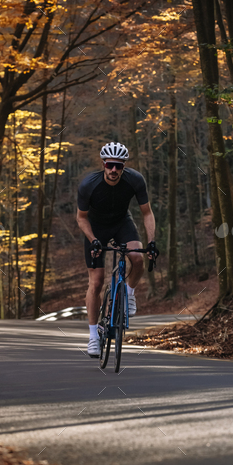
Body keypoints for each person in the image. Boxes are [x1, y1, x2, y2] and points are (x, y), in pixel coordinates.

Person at [76, 141, 158, 358]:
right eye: (110, 165)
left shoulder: (135, 180)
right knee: (96, 282)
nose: (114, 170)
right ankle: (94, 337)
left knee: (137, 260)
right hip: (96, 228)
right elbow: (81, 218)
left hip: (122, 223)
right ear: (103, 164)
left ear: (124, 166)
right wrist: (93, 239)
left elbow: (147, 213)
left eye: (119, 166)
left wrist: (151, 242)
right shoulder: (88, 185)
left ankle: (129, 294)